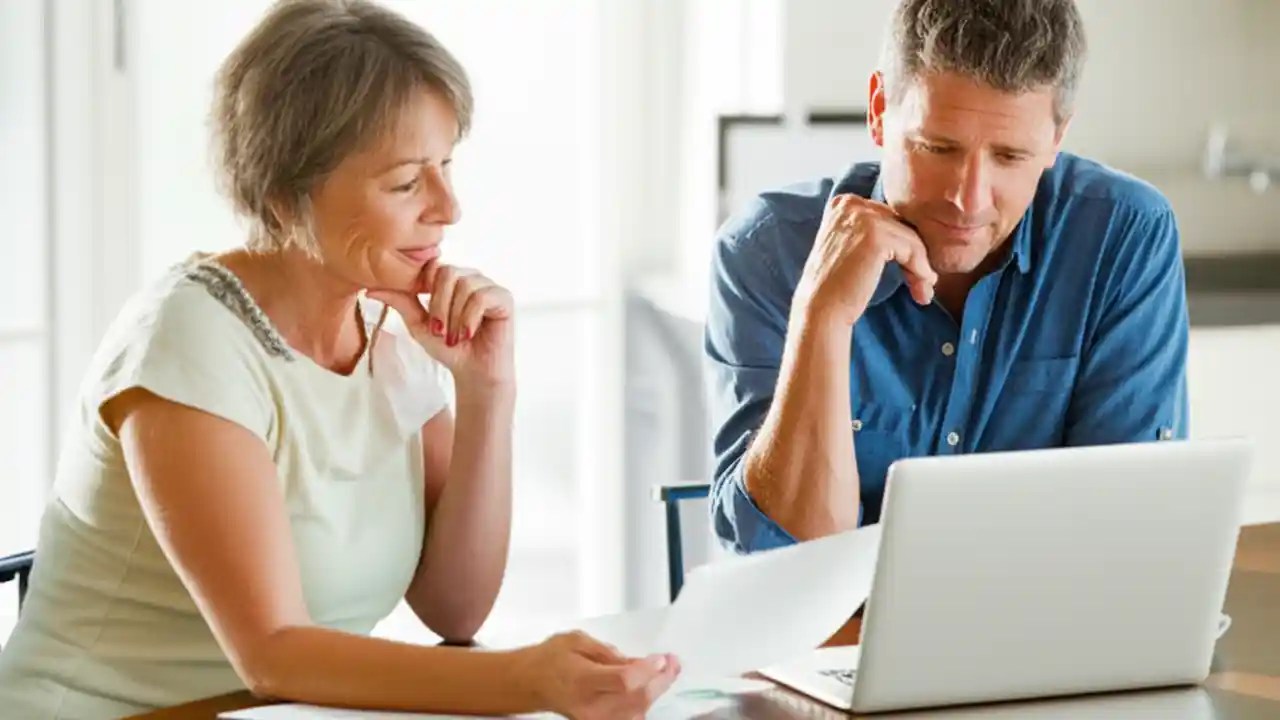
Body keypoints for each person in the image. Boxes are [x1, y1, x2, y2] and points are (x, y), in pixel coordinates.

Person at [0, 1, 678, 718]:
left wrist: (487, 392)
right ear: (285, 196)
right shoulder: (188, 343)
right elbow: (274, 652)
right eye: (407, 182)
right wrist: (529, 679)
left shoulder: (388, 337)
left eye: (447, 165)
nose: (450, 207)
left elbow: (455, 609)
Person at [706, 0, 1189, 554]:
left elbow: (1124, 534)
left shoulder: (1122, 237)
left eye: (1009, 157)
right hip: (841, 639)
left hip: (1044, 630)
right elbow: (786, 562)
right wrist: (824, 317)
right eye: (938, 148)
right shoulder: (766, 252)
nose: (968, 200)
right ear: (880, 110)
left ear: (1057, 138)